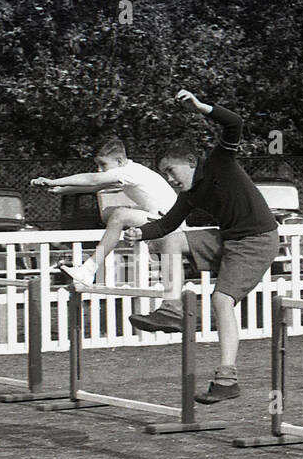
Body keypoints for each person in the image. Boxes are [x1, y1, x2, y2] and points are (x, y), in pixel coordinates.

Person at [123, 89, 279, 404]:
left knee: (221, 300)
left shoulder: (219, 162)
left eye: (172, 171)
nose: (170, 179)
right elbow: (166, 225)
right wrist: (140, 233)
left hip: (258, 239)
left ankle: (227, 378)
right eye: (165, 174)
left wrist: (200, 107)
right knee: (169, 239)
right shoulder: (190, 195)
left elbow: (235, 123)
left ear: (192, 162)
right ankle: (172, 309)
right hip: (229, 238)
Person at [31, 138, 186, 307]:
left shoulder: (130, 172)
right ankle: (109, 259)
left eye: (103, 165)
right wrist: (61, 190)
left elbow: (92, 180)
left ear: (119, 161)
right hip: (162, 219)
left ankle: (89, 269)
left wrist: (55, 181)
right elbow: (95, 187)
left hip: (168, 223)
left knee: (119, 214)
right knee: (111, 213)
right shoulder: (128, 170)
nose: (100, 170)